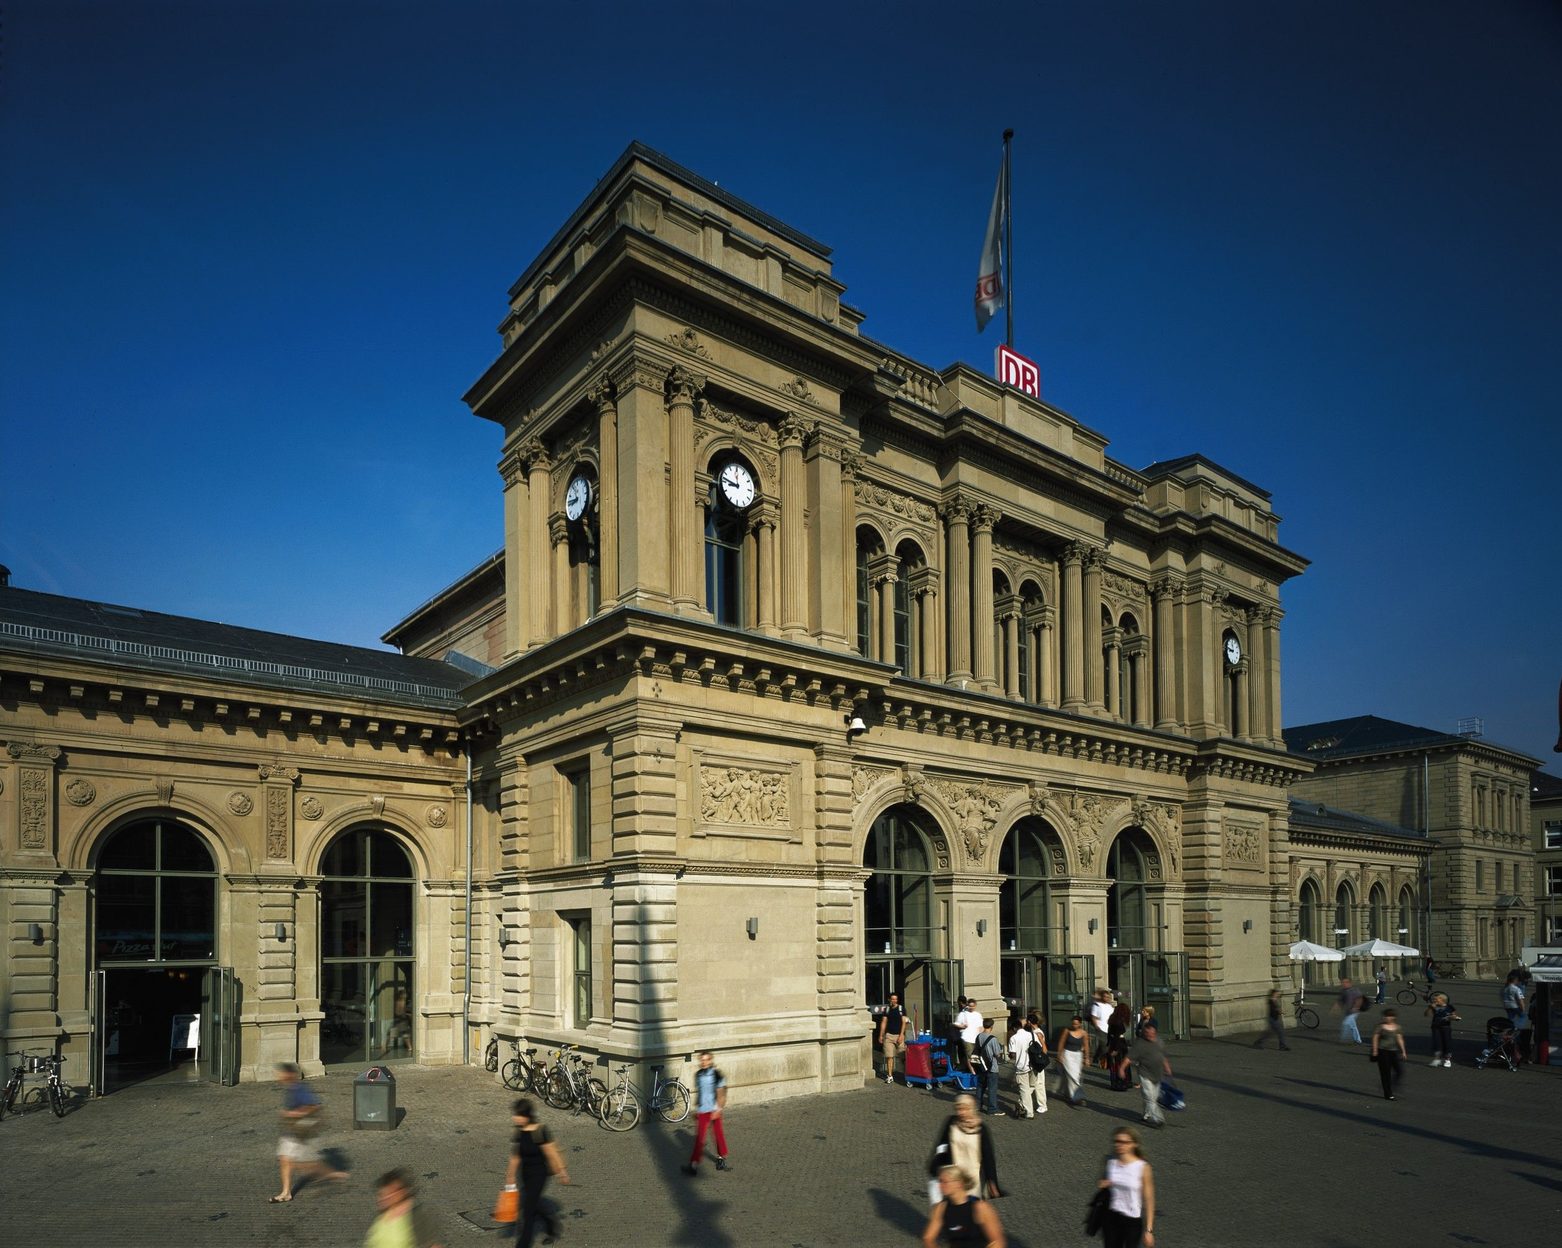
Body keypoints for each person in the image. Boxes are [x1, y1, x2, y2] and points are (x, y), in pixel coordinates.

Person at [271, 1062, 348, 1203]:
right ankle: (286, 1192)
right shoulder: (290, 1088)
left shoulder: (300, 1089)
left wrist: (294, 1113)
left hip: (302, 1131)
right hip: (292, 1131)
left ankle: (334, 1174)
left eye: (281, 1074)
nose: (278, 1077)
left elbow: (314, 1106)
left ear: (290, 1075)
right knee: (285, 1159)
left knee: (307, 1165)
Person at [502, 1098, 568, 1246]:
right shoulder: (519, 1132)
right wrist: (510, 1175)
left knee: (528, 1211)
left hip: (539, 1174)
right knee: (534, 1204)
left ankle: (523, 1244)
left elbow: (551, 1153)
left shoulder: (540, 1131)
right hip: (525, 1174)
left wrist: (562, 1171)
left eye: (519, 1115)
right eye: (515, 1114)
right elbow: (516, 1156)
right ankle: (552, 1227)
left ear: (527, 1115)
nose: (515, 1118)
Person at [928, 1094, 1001, 1203]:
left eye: (965, 1109)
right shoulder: (951, 1123)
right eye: (958, 1109)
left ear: (972, 1108)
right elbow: (942, 1145)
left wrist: (992, 1181)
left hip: (972, 1181)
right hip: (953, 1179)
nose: (961, 1112)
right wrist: (936, 1166)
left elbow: (988, 1157)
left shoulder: (981, 1129)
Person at [1097, 1127, 1156, 1248]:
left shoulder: (1142, 1167)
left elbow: (1149, 1200)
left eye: (1124, 1142)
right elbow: (1103, 1184)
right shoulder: (1110, 1162)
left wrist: (1149, 1230)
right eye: (1117, 1141)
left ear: (1134, 1144)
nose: (1119, 1145)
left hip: (1132, 1220)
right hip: (1111, 1218)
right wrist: (1104, 1183)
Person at [921, 1165, 1006, 1247]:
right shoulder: (941, 1208)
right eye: (940, 1181)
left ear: (959, 1183)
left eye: (944, 1182)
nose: (940, 1186)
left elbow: (998, 1242)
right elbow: (928, 1238)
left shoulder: (980, 1208)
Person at [364, 1168, 443, 1248]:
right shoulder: (382, 1215)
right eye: (381, 1194)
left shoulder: (417, 1218)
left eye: (388, 1193)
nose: (382, 1198)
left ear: (402, 1192)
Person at [682, 1050, 730, 1175]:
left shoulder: (717, 1075)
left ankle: (721, 1158)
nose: (704, 1062)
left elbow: (721, 1094)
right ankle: (693, 1166)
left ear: (710, 1060)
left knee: (718, 1135)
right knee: (699, 1139)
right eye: (702, 1060)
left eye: (706, 1060)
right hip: (703, 1110)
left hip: (714, 1110)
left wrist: (719, 1109)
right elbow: (700, 1093)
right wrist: (697, 1109)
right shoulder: (698, 1075)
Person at [1127, 1021, 1172, 1129]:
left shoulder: (1159, 1042)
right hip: (1144, 1073)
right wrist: (1121, 1068)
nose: (1148, 1034)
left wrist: (1167, 1067)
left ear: (1155, 1032)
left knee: (1153, 1097)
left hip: (1157, 1074)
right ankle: (1158, 1119)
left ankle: (1146, 1115)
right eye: (1146, 1032)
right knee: (1150, 1097)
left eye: (1150, 1032)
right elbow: (1129, 1057)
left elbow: (1162, 1056)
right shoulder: (1140, 1043)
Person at [1007, 1016, 1046, 1117]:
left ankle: (1029, 1113)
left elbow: (1012, 1054)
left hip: (1021, 1067)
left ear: (1015, 1028)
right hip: (1033, 1065)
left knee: (1024, 1089)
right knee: (1031, 1086)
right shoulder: (1031, 1035)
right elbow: (1040, 1047)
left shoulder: (1013, 1038)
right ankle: (1022, 1105)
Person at [1370, 1008, 1408, 1100]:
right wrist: (1375, 1051)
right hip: (1382, 1051)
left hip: (1393, 1051)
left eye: (1388, 1016)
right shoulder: (1380, 1027)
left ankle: (1392, 1085)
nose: (1386, 1018)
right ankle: (1388, 1094)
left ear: (1393, 1017)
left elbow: (1399, 1039)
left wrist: (1403, 1051)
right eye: (1385, 1016)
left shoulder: (1397, 1027)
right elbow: (1375, 1038)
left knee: (1399, 1071)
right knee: (1385, 1073)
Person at [1057, 1014, 1091, 1107]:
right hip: (1067, 1054)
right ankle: (1077, 1097)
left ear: (1080, 1024)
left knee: (1077, 1075)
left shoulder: (1084, 1033)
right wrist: (1060, 1055)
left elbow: (1086, 1046)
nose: (1074, 1025)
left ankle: (1067, 1093)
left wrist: (1087, 1057)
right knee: (1072, 1075)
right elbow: (1061, 1042)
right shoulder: (1067, 1031)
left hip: (1078, 1055)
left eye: (1076, 1024)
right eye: (1073, 1024)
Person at [973, 1017, 1004, 1114]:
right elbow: (997, 1054)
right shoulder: (993, 1039)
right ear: (992, 1026)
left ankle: (977, 1106)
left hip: (981, 1065)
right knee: (992, 1089)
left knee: (980, 1086)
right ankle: (992, 1109)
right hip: (992, 1067)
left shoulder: (978, 1036)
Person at [879, 991, 909, 1085]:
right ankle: (890, 1076)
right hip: (888, 1036)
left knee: (903, 1056)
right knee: (889, 1056)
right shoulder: (887, 1010)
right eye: (892, 999)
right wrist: (881, 1035)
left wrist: (902, 1034)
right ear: (889, 1000)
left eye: (896, 999)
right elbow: (884, 1022)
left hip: (898, 1036)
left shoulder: (901, 1009)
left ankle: (907, 1074)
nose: (894, 1001)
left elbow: (904, 1022)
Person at [1425, 991, 1459, 1067]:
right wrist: (1429, 1008)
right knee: (1437, 1043)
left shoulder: (1449, 1007)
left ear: (1442, 999)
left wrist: (1453, 1018)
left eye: (1436, 999)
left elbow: (1454, 1015)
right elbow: (1427, 1015)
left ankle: (1447, 1060)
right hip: (1435, 1027)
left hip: (1446, 1027)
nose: (1434, 1001)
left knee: (1446, 1043)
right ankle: (1437, 1059)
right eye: (1434, 999)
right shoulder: (1434, 1007)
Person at [956, 999, 983, 1073]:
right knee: (970, 1056)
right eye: (970, 1006)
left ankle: (976, 1070)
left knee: (976, 1056)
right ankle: (973, 1072)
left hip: (976, 1038)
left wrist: (980, 1036)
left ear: (975, 1006)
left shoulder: (978, 1015)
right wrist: (962, 1026)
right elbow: (957, 1024)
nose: (971, 1008)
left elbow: (980, 1027)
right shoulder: (963, 1014)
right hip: (967, 1038)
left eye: (973, 1006)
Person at [1335, 976, 1364, 1044]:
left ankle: (1344, 1038)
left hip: (1354, 1011)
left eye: (1345, 982)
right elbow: (1341, 1000)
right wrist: (1336, 1007)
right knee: (1353, 1026)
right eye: (1343, 982)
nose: (1343, 984)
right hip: (1348, 1011)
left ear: (1350, 983)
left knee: (1346, 1023)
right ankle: (1358, 1040)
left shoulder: (1354, 990)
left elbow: (1360, 999)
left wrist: (1356, 1007)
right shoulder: (1343, 991)